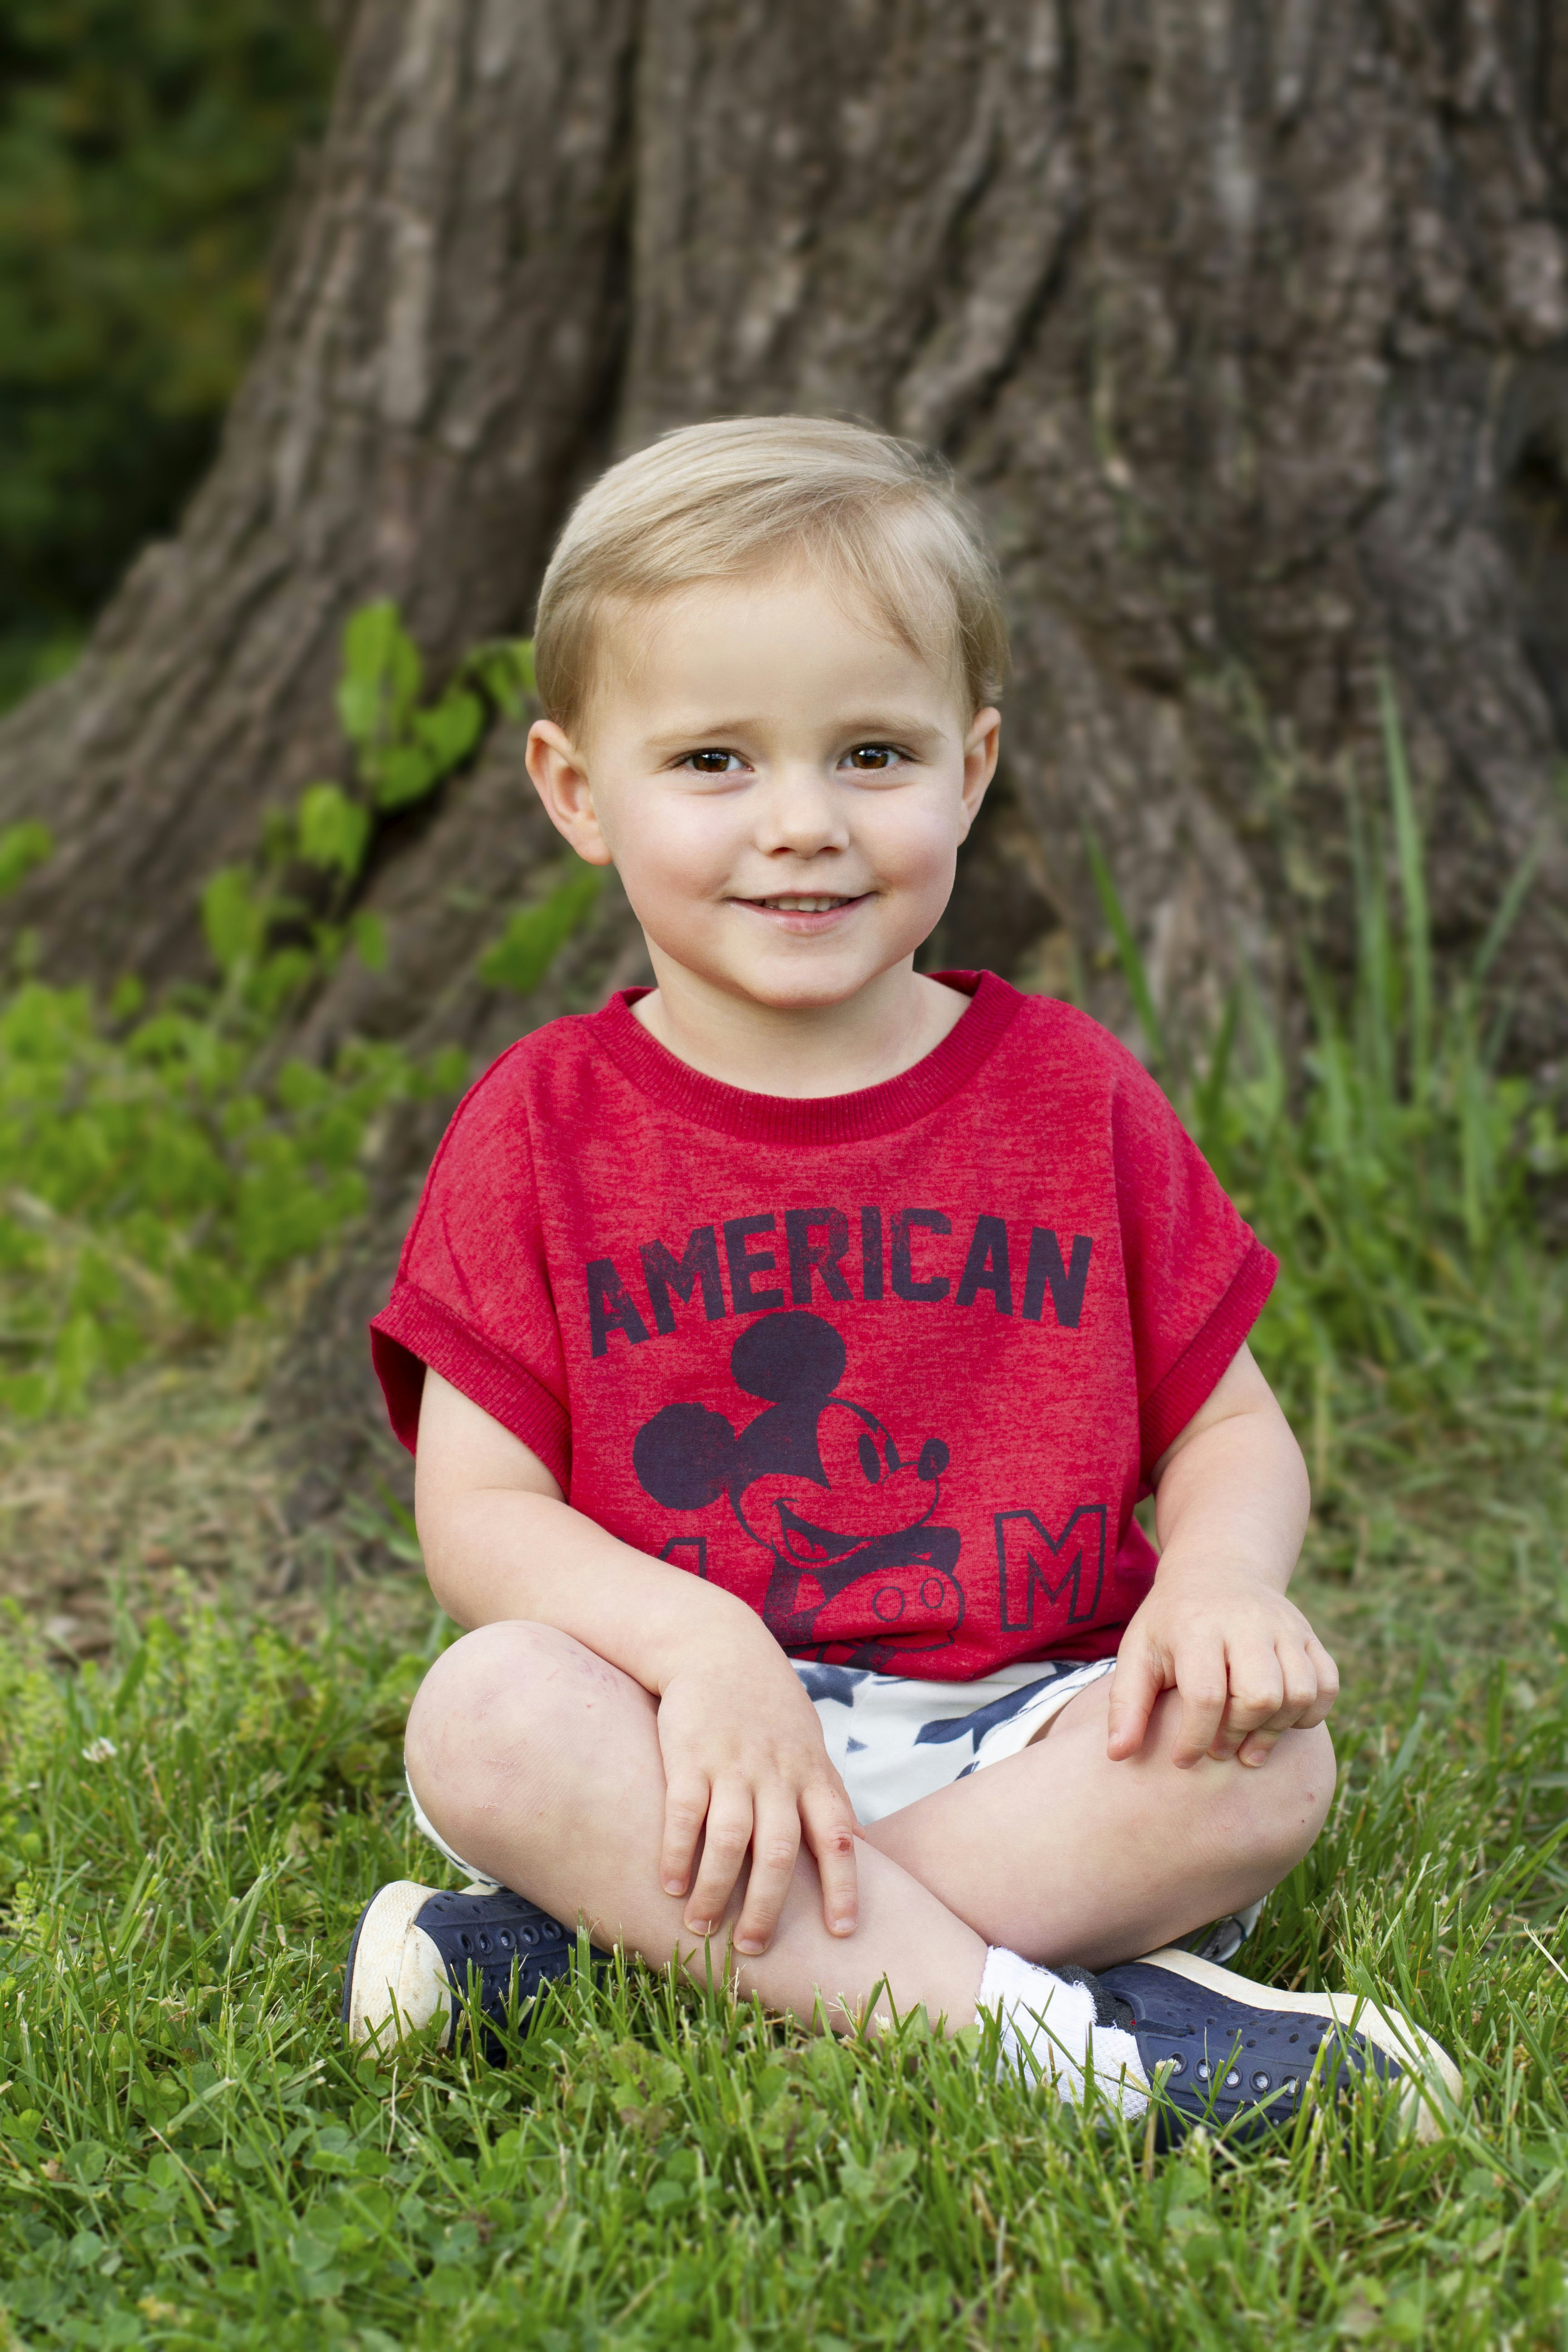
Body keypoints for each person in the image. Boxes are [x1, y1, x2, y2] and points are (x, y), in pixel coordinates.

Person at [341, 417, 1459, 2141]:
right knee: (485, 1713)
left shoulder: (1069, 1089)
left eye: (872, 752)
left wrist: (1221, 1587)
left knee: (1266, 1763)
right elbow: (480, 1516)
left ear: (974, 763)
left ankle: (597, 1962)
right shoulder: (543, 1125)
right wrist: (699, 1641)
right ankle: (1065, 2046)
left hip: (1024, 1736)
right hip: (672, 1735)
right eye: (713, 763)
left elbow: (1231, 1431)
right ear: (578, 792)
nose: (802, 825)